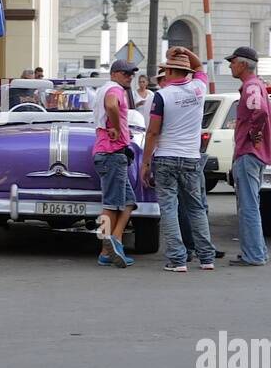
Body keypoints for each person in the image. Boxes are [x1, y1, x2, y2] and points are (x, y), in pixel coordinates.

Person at [140, 48, 217, 272]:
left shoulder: (162, 96)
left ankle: (177, 259)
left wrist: (145, 163)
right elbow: (200, 68)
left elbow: (153, 132)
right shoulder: (198, 89)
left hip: (166, 157)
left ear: (171, 71)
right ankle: (206, 258)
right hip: (192, 158)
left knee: (169, 208)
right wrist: (186, 51)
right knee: (196, 209)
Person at [226, 46, 271, 267]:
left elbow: (263, 113)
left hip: (248, 153)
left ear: (243, 64)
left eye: (233, 61)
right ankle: (257, 251)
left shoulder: (251, 86)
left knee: (247, 206)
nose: (230, 65)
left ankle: (254, 255)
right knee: (251, 204)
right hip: (256, 153)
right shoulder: (259, 86)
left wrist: (254, 135)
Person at [91, 59, 139, 268]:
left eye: (131, 74)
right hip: (111, 152)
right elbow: (111, 104)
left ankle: (116, 241)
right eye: (125, 73)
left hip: (111, 153)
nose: (130, 77)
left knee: (129, 201)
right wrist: (118, 127)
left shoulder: (105, 88)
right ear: (114, 74)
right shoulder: (115, 89)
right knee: (111, 204)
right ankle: (104, 250)